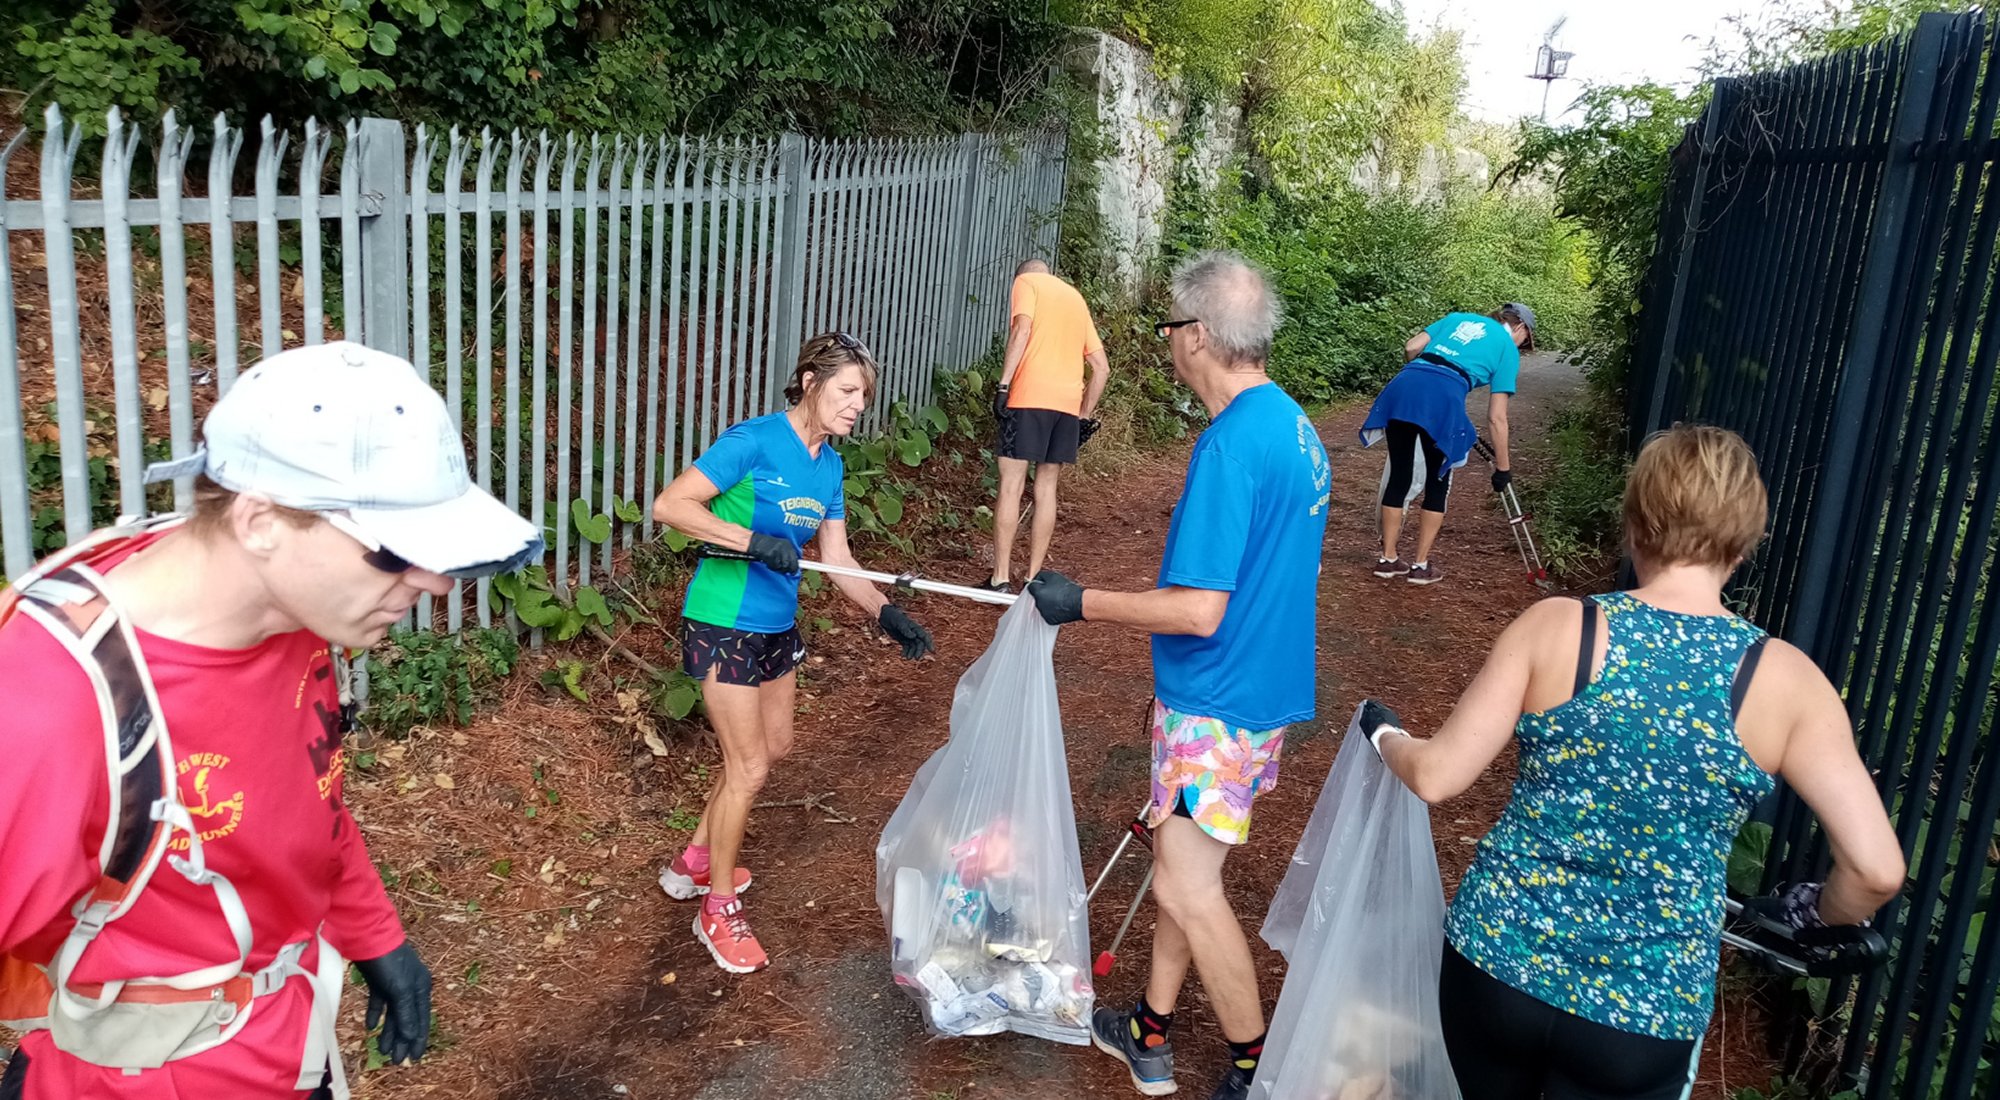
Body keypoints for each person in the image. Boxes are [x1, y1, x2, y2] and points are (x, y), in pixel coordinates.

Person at [0, 342, 543, 1100]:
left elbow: (307, 791)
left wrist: (375, 936)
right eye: (394, 554)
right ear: (259, 521)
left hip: (286, 1046)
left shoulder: (286, 608)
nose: (437, 585)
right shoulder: (53, 699)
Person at [1356, 425, 1906, 1100]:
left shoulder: (1559, 628)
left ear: (1637, 519)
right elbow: (1877, 870)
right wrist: (1820, 911)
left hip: (1498, 965)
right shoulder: (1786, 681)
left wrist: (1386, 737)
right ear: (1746, 537)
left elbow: (1437, 775)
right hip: (1645, 1007)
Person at [1026, 251, 1330, 1100]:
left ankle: (1257, 1067)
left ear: (1196, 336)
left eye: (1169, 328)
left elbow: (1199, 609)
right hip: (1255, 696)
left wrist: (1079, 601)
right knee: (1184, 868)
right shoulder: (1296, 430)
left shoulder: (1232, 446)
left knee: (1189, 889)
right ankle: (1149, 1032)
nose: (1167, 344)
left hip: (1217, 701)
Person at [652, 331, 936, 975]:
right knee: (747, 766)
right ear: (810, 382)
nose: (857, 404)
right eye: (846, 390)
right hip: (723, 619)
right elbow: (670, 505)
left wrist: (885, 613)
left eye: (863, 395)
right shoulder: (753, 441)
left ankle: (694, 859)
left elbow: (836, 558)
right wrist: (748, 538)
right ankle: (716, 908)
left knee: (772, 749)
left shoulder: (829, 466)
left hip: (777, 626)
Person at [1361, 303, 1534, 586]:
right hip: (1444, 395)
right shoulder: (1507, 348)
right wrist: (1503, 468)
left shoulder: (1456, 318)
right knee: (1438, 478)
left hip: (1404, 386)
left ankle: (1388, 560)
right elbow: (1497, 418)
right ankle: (1420, 566)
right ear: (1519, 327)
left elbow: (1410, 347)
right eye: (1525, 339)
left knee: (1400, 474)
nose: (1522, 345)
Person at [985, 259, 1110, 594]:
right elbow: (1101, 368)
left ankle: (999, 579)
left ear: (1022, 275)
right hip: (1066, 406)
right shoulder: (1075, 298)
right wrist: (1084, 413)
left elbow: (1022, 330)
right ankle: (1032, 577)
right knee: (1046, 489)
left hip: (1029, 397)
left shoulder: (1026, 283)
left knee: (1011, 484)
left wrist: (1003, 386)